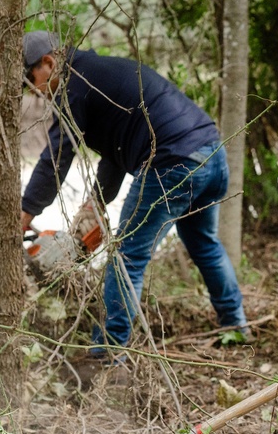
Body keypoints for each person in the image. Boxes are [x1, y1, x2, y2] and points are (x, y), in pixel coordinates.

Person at [20, 31, 248, 359]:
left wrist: (24, 215)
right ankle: (236, 324)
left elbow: (57, 156)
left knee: (126, 258)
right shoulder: (97, 73)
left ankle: (109, 352)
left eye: (31, 77)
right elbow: (117, 148)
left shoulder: (74, 88)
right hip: (211, 153)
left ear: (48, 62)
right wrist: (96, 201)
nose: (33, 88)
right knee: (204, 243)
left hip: (173, 162)